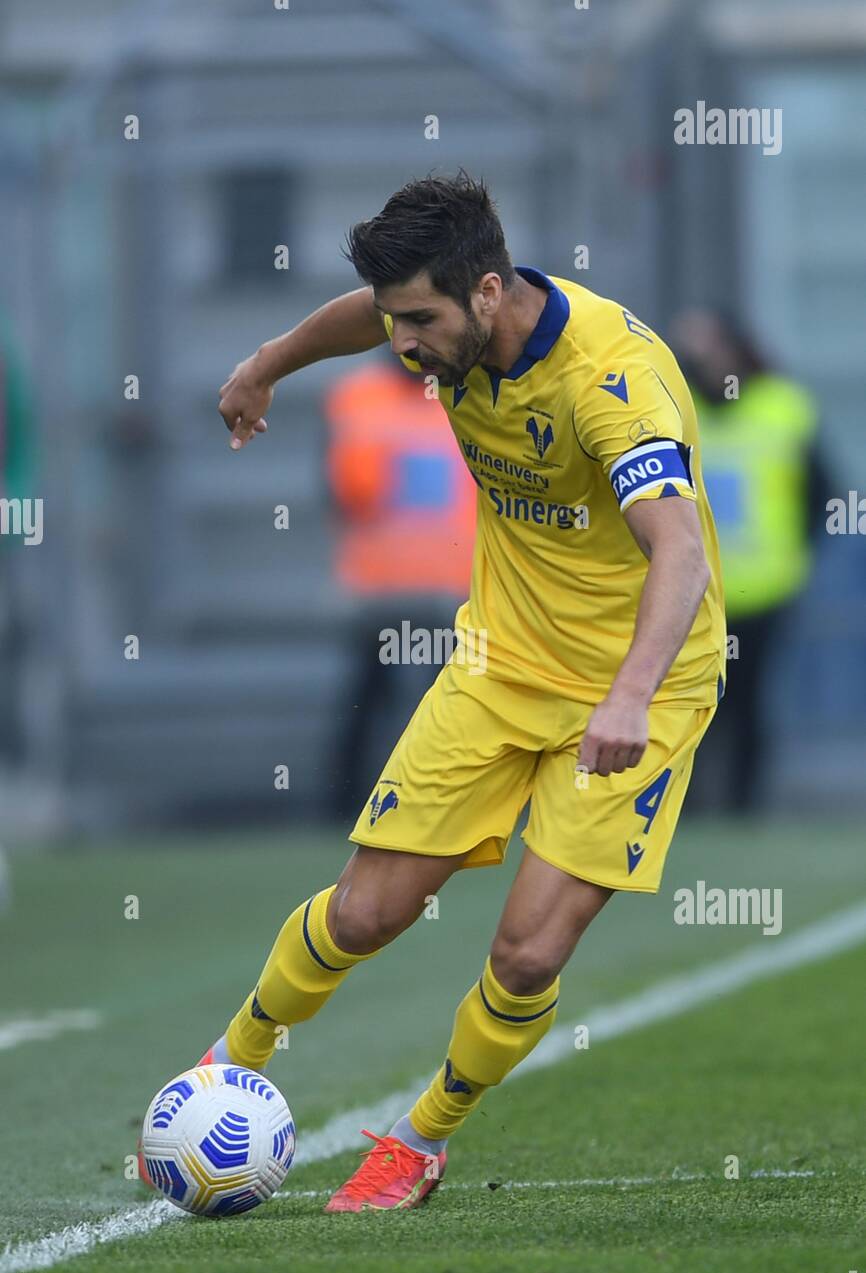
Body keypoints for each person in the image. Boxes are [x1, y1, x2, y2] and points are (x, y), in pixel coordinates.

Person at [194, 171, 726, 1213]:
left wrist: (625, 695)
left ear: (487, 294)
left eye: (422, 321)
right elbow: (364, 312)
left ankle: (420, 1136)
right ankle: (225, 1066)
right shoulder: (436, 321)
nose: (403, 346)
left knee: (524, 955)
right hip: (497, 665)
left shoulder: (611, 381)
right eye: (395, 320)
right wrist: (263, 366)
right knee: (363, 911)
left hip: (639, 689)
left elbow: (680, 552)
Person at [669, 308, 833, 813]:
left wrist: (796, 557)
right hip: (689, 589)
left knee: (749, 703)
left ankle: (742, 807)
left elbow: (822, 492)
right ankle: (684, 809)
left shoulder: (783, 408)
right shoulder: (674, 407)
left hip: (765, 590)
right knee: (686, 702)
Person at [324, 350, 475, 819]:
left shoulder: (464, 396)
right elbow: (337, 491)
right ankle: (345, 805)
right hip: (383, 588)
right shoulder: (356, 395)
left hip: (451, 587)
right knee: (369, 701)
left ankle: (446, 809)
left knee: (451, 707)